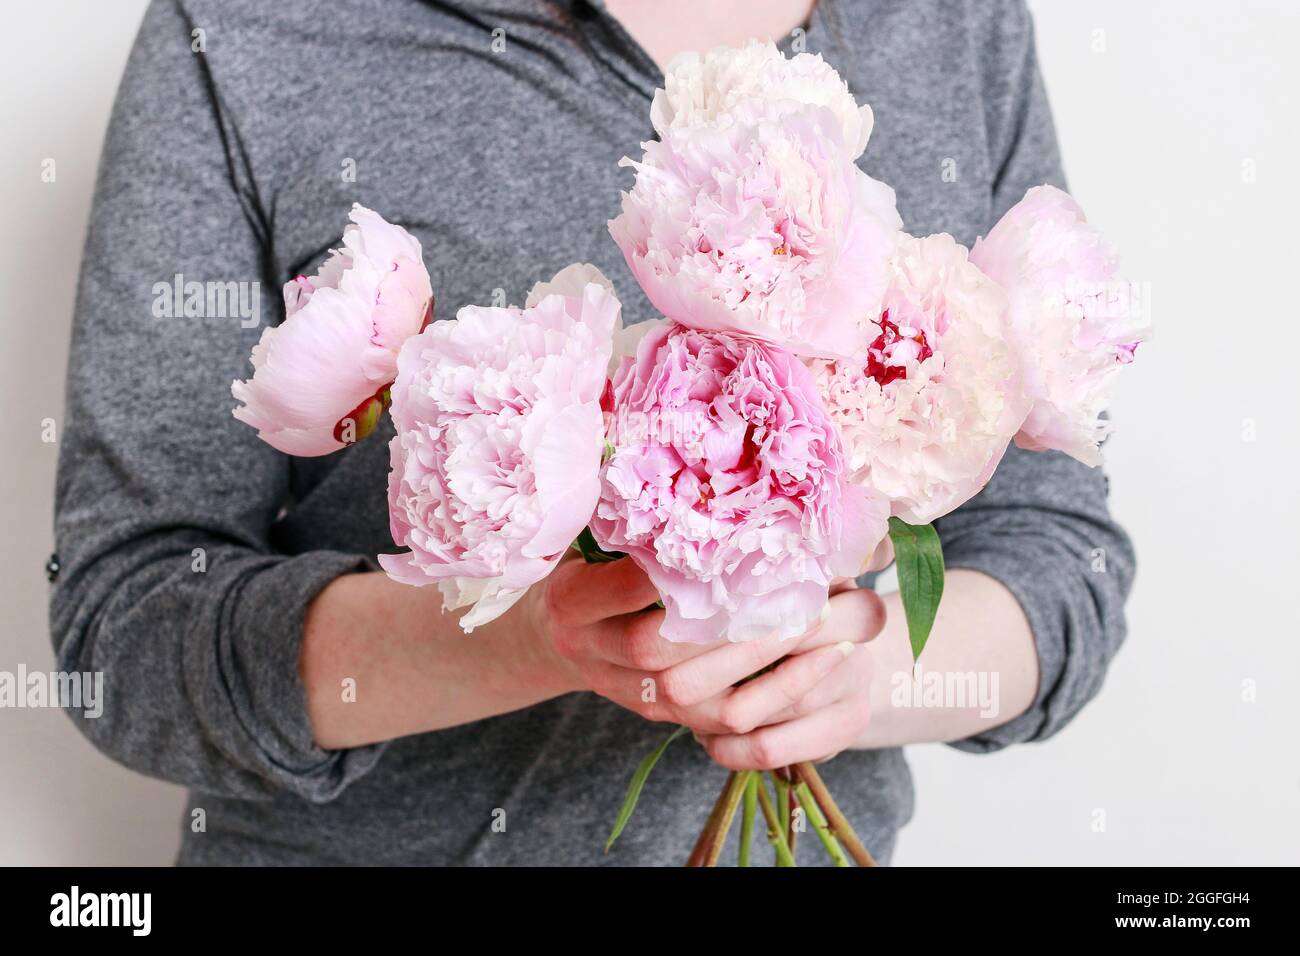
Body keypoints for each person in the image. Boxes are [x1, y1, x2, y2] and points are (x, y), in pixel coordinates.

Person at [50, 0, 1133, 865]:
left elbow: (1056, 558)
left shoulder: (953, 21)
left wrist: (854, 678)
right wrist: (523, 631)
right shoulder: (247, 29)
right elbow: (124, 630)